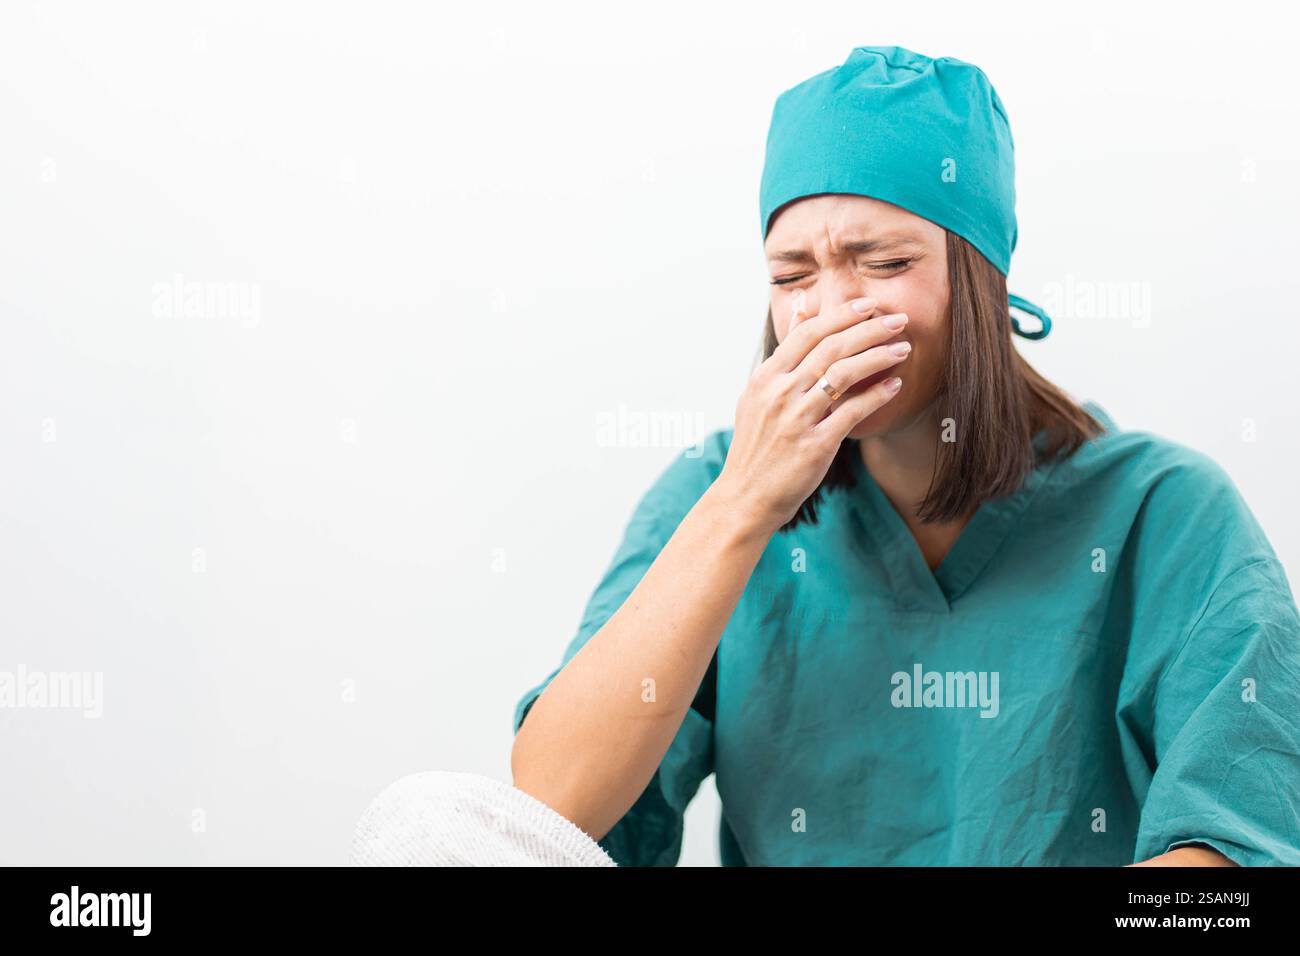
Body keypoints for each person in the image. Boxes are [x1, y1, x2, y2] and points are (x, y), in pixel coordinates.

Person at [508, 44, 1300, 866]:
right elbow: (549, 818)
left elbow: (1242, 857)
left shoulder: (1165, 515)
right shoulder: (711, 497)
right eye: (792, 276)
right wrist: (742, 509)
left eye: (884, 264)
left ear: (983, 281)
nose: (829, 315)